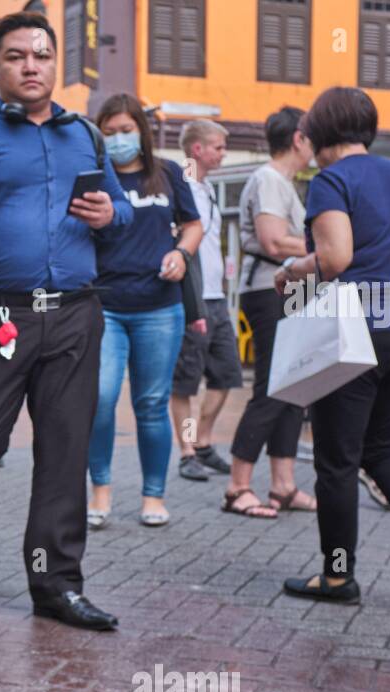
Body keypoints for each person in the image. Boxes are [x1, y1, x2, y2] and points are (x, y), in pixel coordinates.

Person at [0, 12, 132, 631]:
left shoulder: (85, 136)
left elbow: (119, 210)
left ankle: (55, 585)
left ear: (54, 62)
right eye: (16, 56)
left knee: (65, 451)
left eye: (41, 55)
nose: (31, 65)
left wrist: (106, 214)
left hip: (73, 315)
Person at [275, 87, 390, 604]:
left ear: (319, 134)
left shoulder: (331, 180)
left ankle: (336, 576)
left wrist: (291, 272)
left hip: (359, 329)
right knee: (382, 444)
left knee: (336, 458)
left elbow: (335, 258)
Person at [88, 94, 202, 529]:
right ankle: (100, 488)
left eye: (125, 130)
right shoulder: (93, 178)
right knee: (99, 399)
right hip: (103, 306)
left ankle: (153, 496)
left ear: (142, 130)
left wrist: (181, 254)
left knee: (152, 403)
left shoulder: (168, 173)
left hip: (159, 306)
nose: (119, 140)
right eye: (110, 132)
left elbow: (192, 224)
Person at [222, 107, 317, 519]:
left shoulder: (285, 184)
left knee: (295, 386)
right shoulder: (268, 180)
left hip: (292, 289)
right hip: (269, 289)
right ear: (299, 138)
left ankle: (283, 484)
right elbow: (274, 241)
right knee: (271, 386)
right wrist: (328, 248)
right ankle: (237, 486)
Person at [170, 119, 243, 483]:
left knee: (227, 375)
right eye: (217, 147)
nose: (223, 153)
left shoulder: (208, 188)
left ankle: (202, 441)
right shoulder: (180, 185)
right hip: (192, 300)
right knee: (184, 383)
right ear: (197, 149)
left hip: (217, 299)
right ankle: (186, 452)